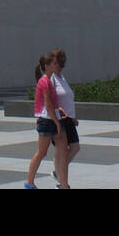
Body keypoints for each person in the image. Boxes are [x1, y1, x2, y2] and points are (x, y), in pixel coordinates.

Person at [26, 52, 63, 188]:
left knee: (60, 149)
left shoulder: (48, 80)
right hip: (47, 120)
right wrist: (57, 122)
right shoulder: (45, 81)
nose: (57, 65)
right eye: (54, 63)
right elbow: (48, 104)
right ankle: (29, 182)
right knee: (42, 152)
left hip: (49, 120)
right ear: (47, 66)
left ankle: (60, 177)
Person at [49, 48, 81, 188]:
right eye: (58, 63)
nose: (60, 66)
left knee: (75, 147)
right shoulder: (51, 78)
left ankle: (58, 172)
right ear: (52, 63)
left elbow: (67, 98)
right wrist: (55, 119)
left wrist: (73, 117)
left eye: (62, 64)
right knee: (61, 152)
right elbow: (49, 100)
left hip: (69, 119)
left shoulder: (62, 78)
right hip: (59, 120)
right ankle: (63, 184)